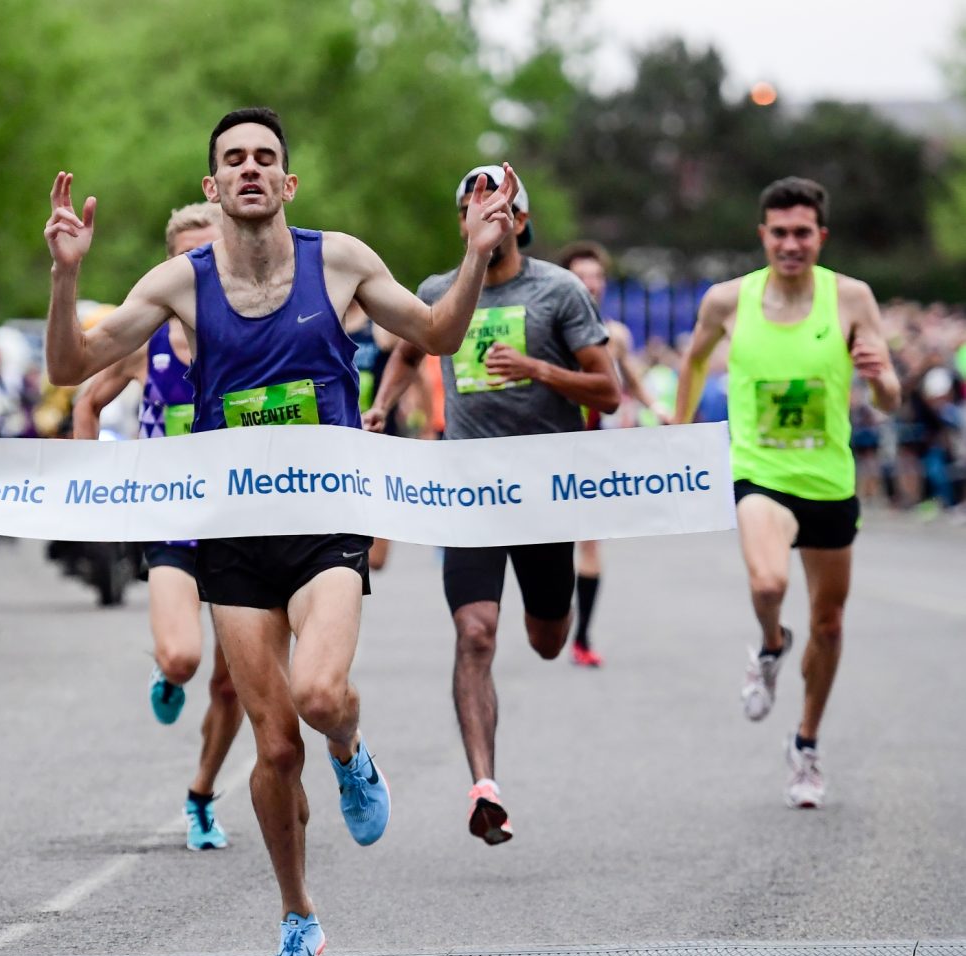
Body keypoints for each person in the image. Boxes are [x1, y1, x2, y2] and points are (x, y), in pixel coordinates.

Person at [44, 107, 518, 956]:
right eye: (234, 160)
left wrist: (475, 257)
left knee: (318, 696)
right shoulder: (179, 283)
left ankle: (351, 749)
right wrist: (66, 276)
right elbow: (73, 364)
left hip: (324, 525)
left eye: (266, 157)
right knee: (271, 751)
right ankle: (298, 919)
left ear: (287, 183)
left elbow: (440, 336)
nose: (251, 169)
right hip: (231, 533)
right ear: (212, 187)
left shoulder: (337, 259)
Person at [365, 165, 619, 845]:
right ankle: (484, 785)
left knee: (545, 640)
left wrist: (538, 369)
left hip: (542, 491)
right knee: (475, 631)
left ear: (521, 220)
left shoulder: (559, 292)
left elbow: (609, 391)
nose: (486, 213)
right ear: (462, 221)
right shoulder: (437, 291)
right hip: (469, 487)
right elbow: (408, 348)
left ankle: (554, 623)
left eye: (500, 204)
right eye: (473, 204)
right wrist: (382, 406)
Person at [674, 176, 900, 809]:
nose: (791, 244)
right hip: (760, 473)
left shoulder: (852, 298)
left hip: (829, 481)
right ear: (762, 236)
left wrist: (882, 382)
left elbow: (890, 398)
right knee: (769, 585)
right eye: (780, 233)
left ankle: (805, 743)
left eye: (803, 233)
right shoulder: (727, 301)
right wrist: (677, 431)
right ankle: (772, 644)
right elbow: (693, 361)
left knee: (828, 623)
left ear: (820, 236)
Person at [72, 203, 244, 851]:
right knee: (182, 657)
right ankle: (166, 673)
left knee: (231, 684)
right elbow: (87, 400)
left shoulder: (252, 334)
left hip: (239, 525)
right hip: (170, 521)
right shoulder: (146, 342)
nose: (199, 270)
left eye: (211, 255)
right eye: (186, 258)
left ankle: (200, 795)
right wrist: (93, 486)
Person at [557, 241, 671, 667]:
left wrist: (657, 409)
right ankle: (552, 618)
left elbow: (633, 382)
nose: (591, 285)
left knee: (588, 542)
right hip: (550, 446)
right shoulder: (546, 328)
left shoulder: (615, 335)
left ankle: (582, 635)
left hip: (594, 452)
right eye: (581, 277)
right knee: (551, 546)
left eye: (597, 277)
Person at [344, 298, 398, 569]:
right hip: (340, 441)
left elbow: (412, 365)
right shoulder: (324, 325)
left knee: (376, 559)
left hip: (378, 437)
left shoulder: (379, 329)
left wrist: (422, 417)